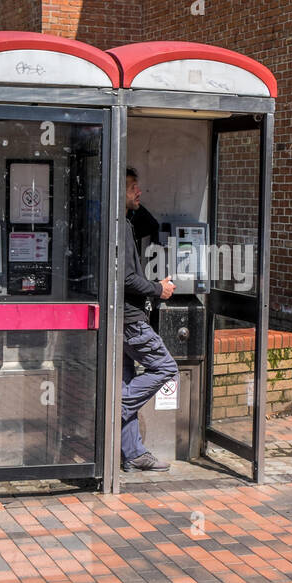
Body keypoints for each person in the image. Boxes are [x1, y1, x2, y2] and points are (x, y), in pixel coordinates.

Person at [121, 167, 177, 471]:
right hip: (131, 319)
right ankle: (113, 407)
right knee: (166, 367)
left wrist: (134, 204)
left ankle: (133, 453)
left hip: (121, 318)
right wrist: (159, 289)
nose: (138, 192)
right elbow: (127, 279)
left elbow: (152, 224)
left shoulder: (124, 222)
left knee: (126, 381)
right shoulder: (121, 227)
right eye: (132, 188)